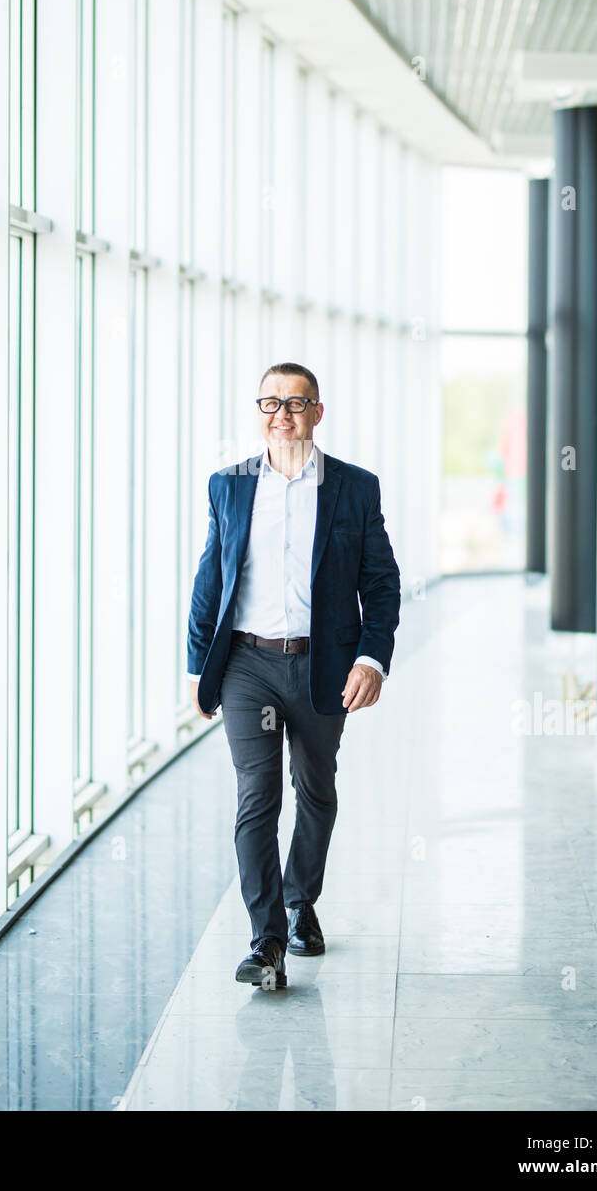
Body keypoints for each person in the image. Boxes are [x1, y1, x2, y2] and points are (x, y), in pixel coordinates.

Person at [186, 362, 401, 990]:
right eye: (270, 402)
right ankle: (268, 942)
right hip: (247, 665)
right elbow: (211, 580)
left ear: (318, 411)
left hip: (323, 666)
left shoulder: (355, 488)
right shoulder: (227, 486)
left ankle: (302, 900)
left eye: (296, 402)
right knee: (258, 796)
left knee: (316, 789)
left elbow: (381, 583)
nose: (283, 413)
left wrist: (371, 658)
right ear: (259, 412)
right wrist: (198, 664)